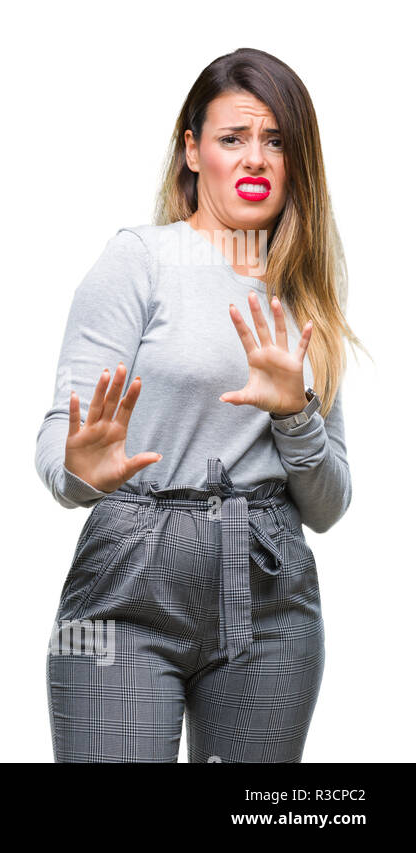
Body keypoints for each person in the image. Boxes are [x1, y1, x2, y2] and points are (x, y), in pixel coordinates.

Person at [36, 47, 361, 762]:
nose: (255, 159)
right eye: (232, 138)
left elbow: (330, 504)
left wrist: (294, 412)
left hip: (270, 591)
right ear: (192, 151)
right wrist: (82, 465)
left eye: (276, 141)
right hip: (130, 573)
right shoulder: (139, 259)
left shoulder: (306, 293)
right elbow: (59, 451)